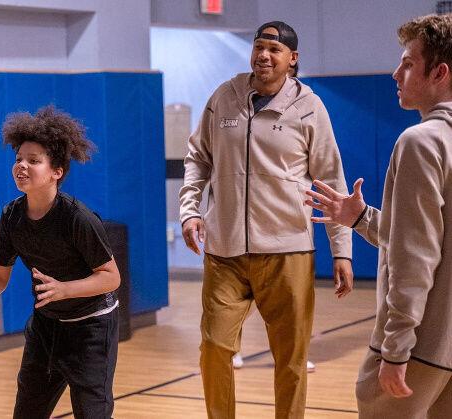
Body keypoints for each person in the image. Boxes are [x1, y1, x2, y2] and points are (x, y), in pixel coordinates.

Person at [179, 21, 354, 418]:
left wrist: (341, 251)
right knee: (214, 349)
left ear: (292, 59)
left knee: (290, 360)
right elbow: (198, 158)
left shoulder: (310, 107)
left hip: (286, 251)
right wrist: (190, 211)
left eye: (275, 50)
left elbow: (332, 183)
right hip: (224, 252)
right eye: (259, 47)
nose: (264, 55)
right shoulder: (224, 96)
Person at [305, 14, 452, 418]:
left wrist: (396, 347)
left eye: (407, 62)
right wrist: (362, 219)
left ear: (439, 72)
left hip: (423, 346)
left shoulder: (421, 142)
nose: (395, 72)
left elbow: (416, 256)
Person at [0, 106, 121, 419]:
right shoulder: (11, 216)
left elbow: (110, 277)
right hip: (46, 327)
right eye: (19, 158)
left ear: (56, 171)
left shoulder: (78, 219)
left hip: (92, 328)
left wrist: (65, 289)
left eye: (34, 161)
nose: (22, 166)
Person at [232, 60, 316, 375]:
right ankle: (230, 349)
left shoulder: (304, 107)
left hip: (287, 228)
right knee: (241, 295)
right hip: (244, 229)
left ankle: (295, 352)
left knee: (292, 301)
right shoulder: (241, 109)